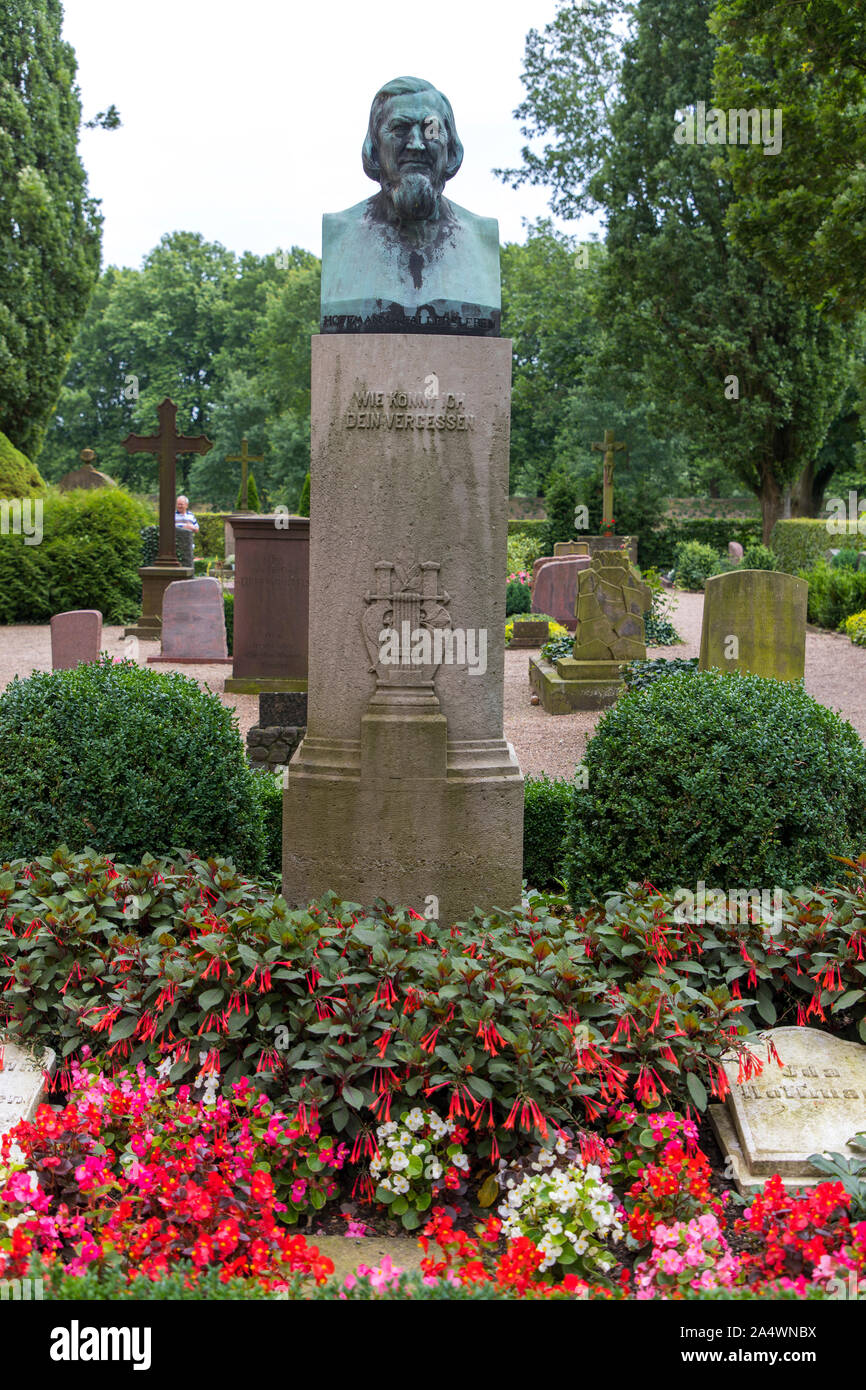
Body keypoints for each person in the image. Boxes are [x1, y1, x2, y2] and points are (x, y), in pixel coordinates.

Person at [320, 76, 500, 335]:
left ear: (450, 148)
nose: (416, 144)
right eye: (400, 129)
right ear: (374, 146)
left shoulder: (482, 237)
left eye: (431, 130)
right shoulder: (339, 234)